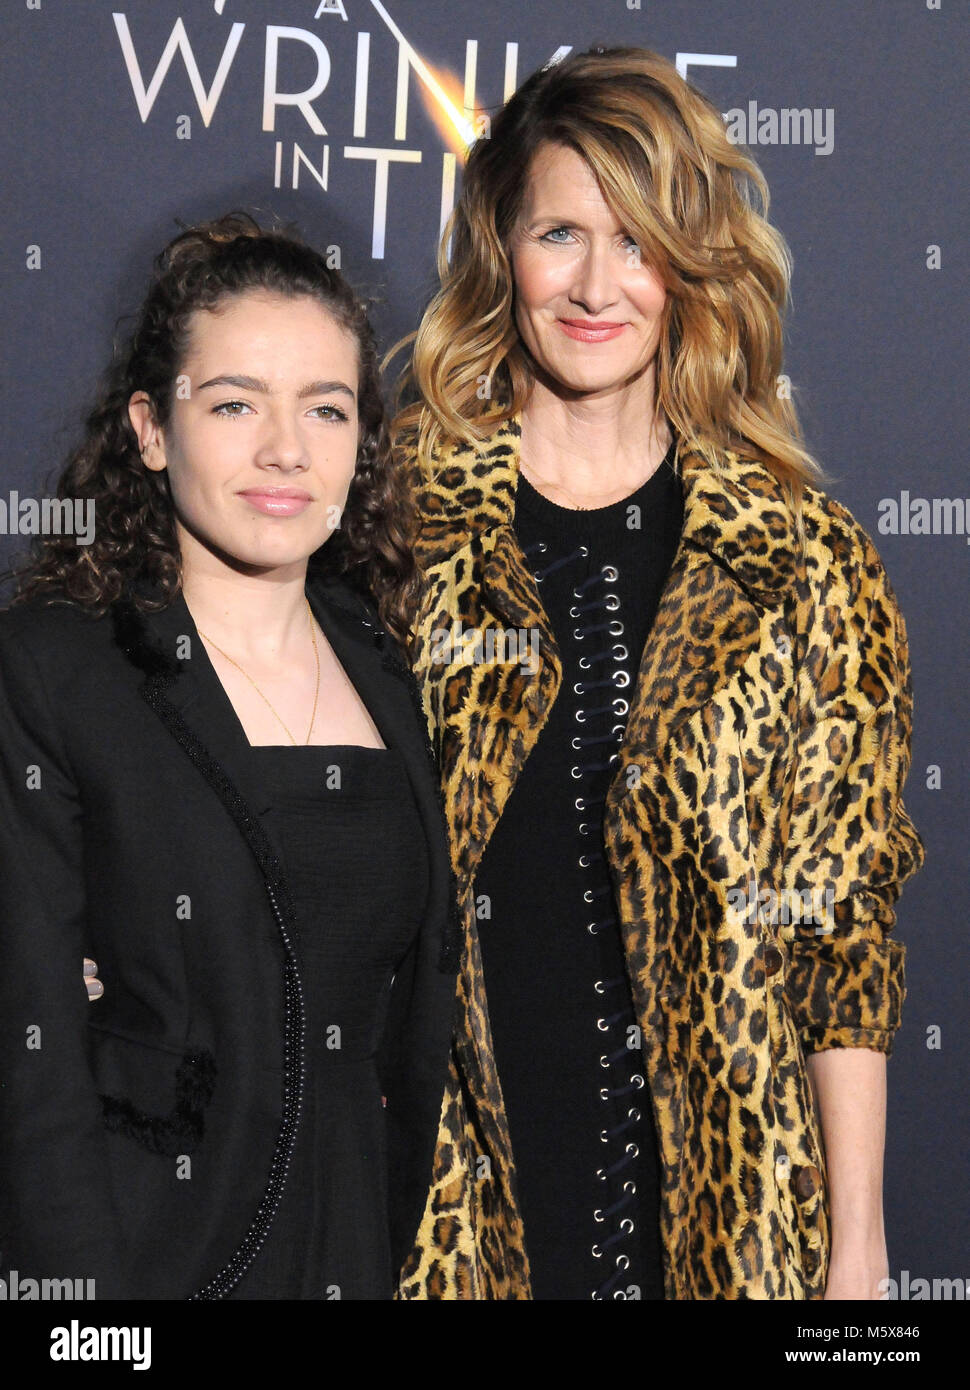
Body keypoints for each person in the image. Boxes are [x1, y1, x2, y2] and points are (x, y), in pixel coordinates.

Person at [389, 45, 925, 1300]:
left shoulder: (802, 559)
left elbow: (843, 935)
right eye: (559, 234)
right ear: (497, 254)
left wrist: (856, 1254)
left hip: (738, 1233)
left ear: (689, 268)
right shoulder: (397, 533)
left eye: (636, 243)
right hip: (452, 1218)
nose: (594, 285)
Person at [0, 213, 459, 1300]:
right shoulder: (56, 671)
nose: (285, 451)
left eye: (326, 409)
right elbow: (34, 1067)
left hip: (357, 1249)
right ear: (152, 430)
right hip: (153, 1266)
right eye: (237, 403)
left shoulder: (385, 665)